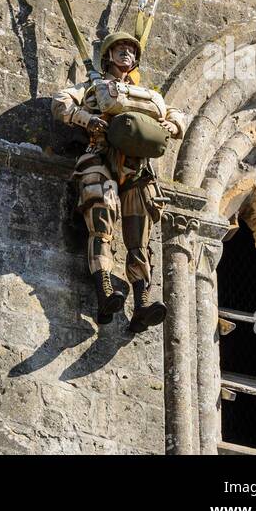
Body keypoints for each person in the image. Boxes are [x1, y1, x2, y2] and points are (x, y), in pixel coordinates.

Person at [52, 31, 186, 332]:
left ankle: (142, 303)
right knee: (102, 219)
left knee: (140, 235)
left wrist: (172, 124)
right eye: (119, 49)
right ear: (108, 56)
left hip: (138, 169)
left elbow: (179, 118)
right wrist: (85, 119)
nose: (125, 52)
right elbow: (60, 102)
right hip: (100, 159)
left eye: (129, 49)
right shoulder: (91, 87)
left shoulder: (150, 96)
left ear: (135, 59)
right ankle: (105, 291)